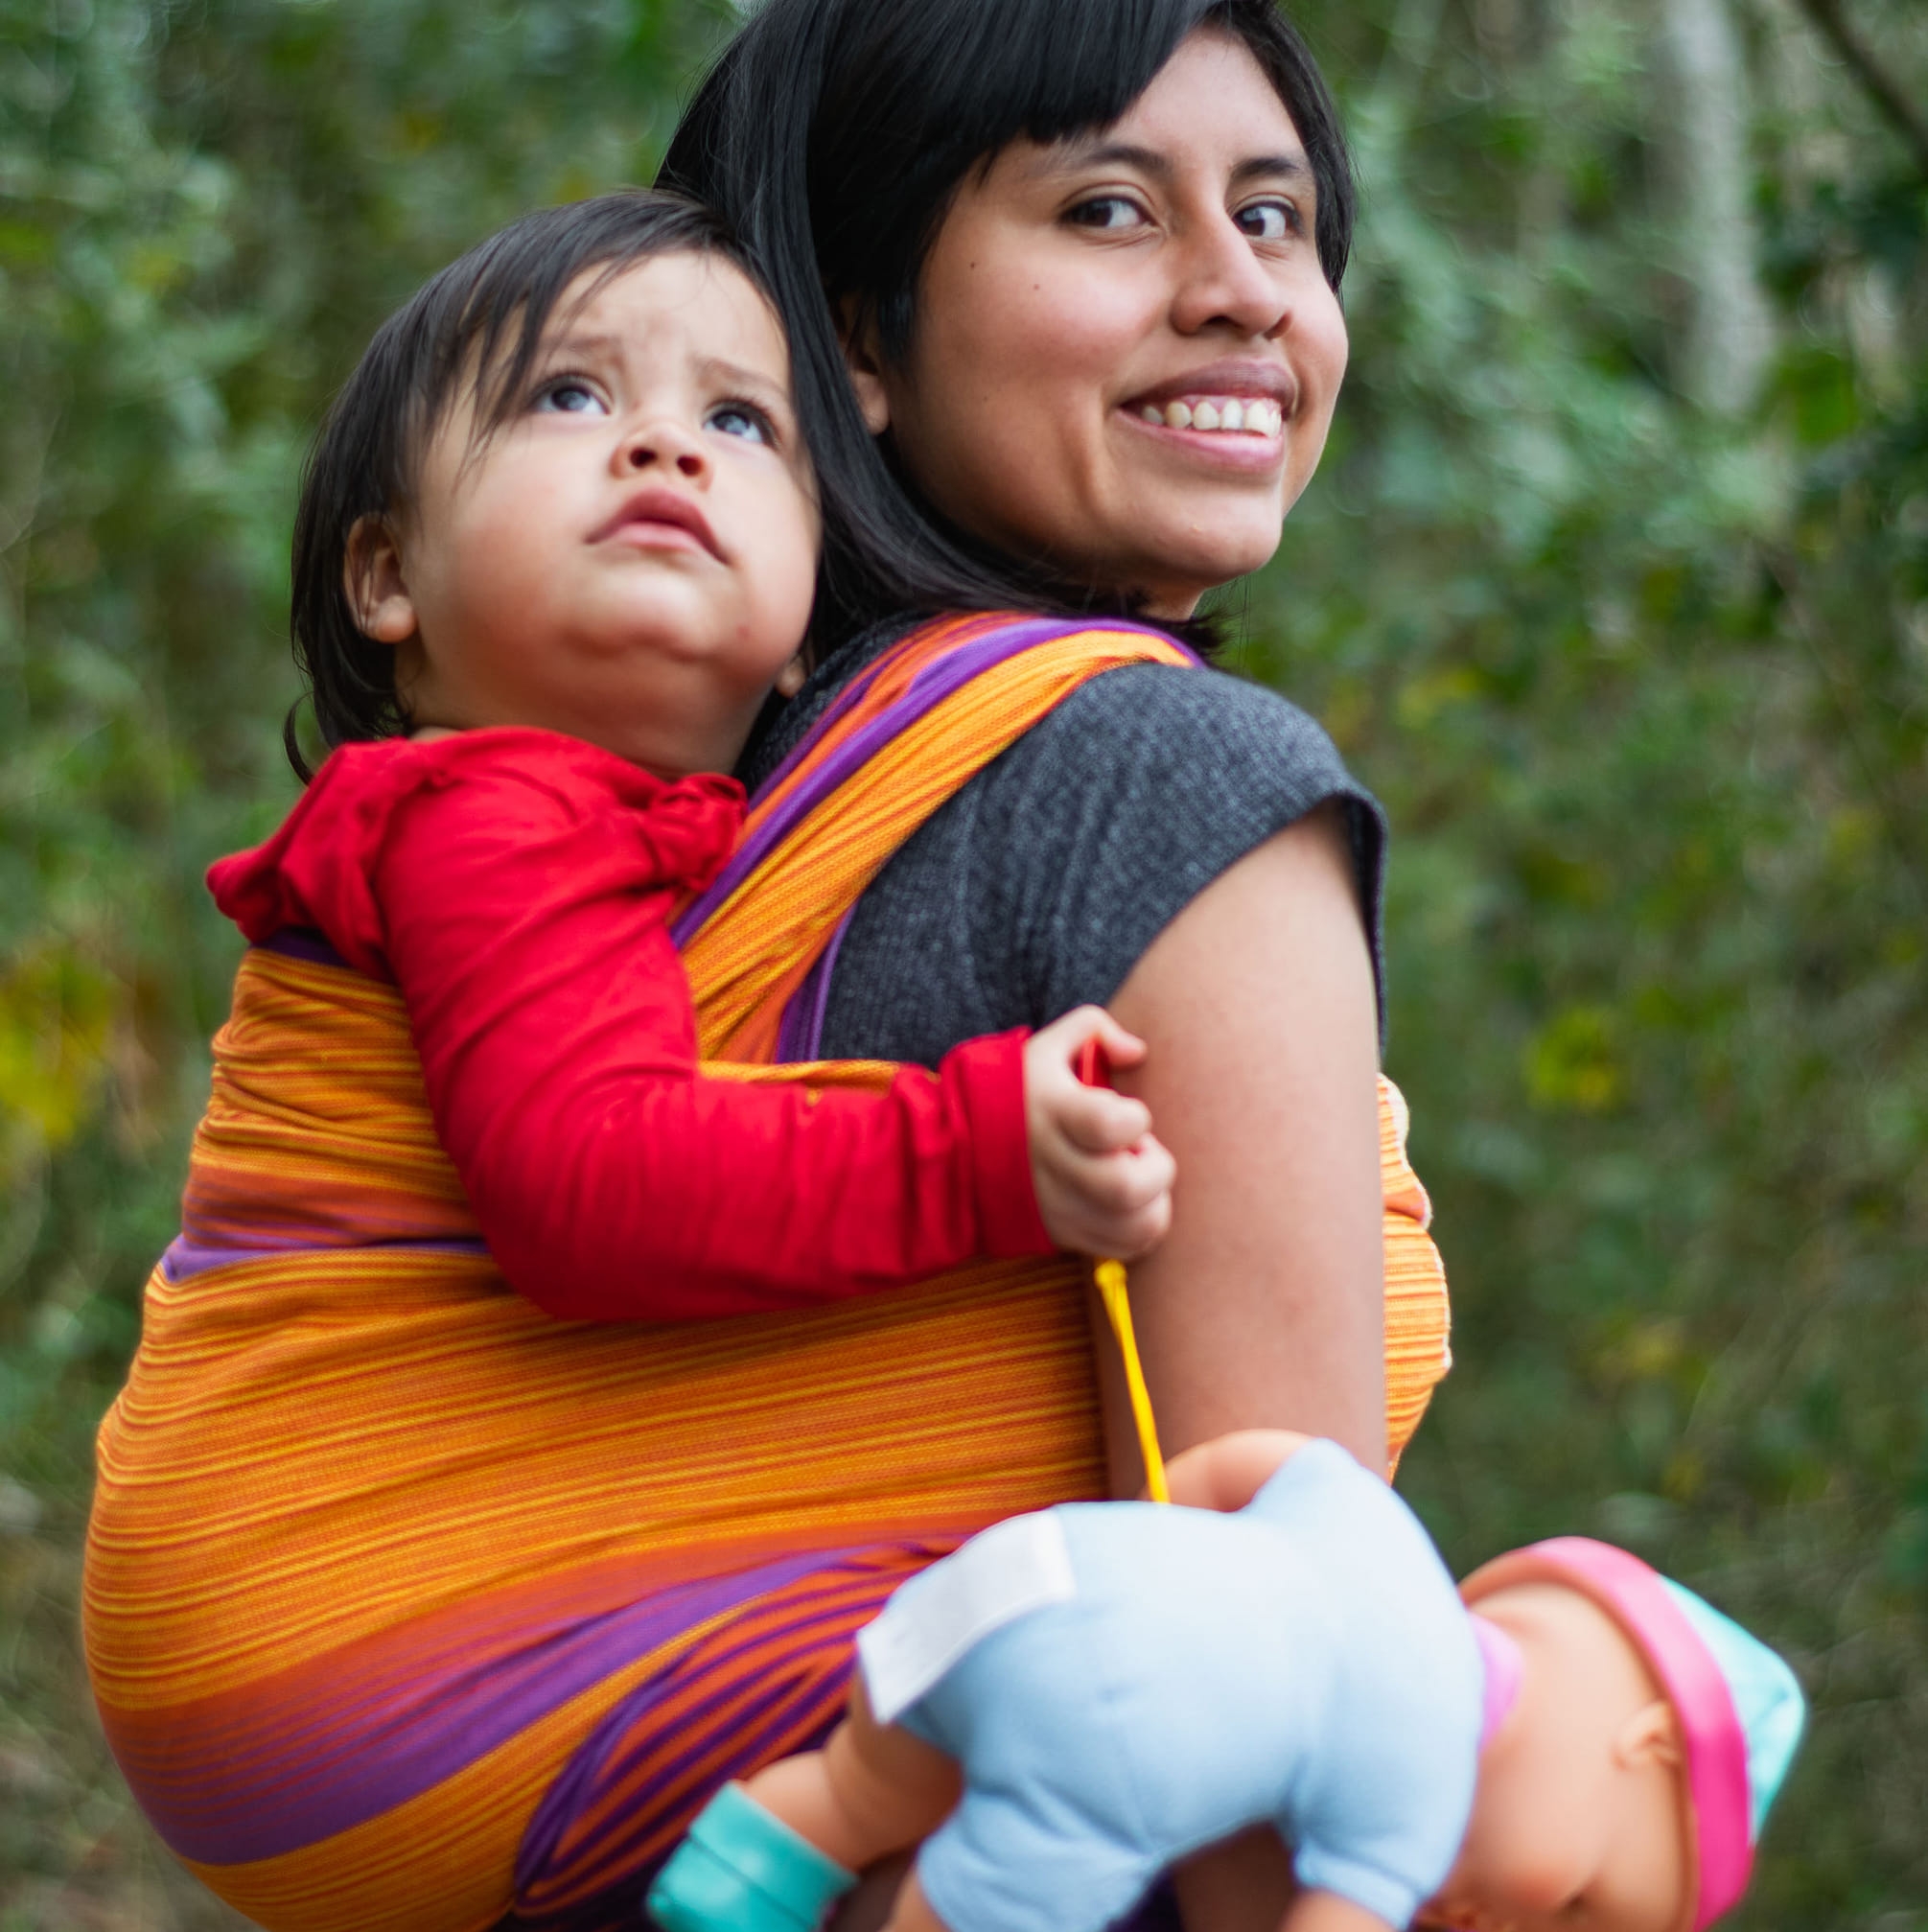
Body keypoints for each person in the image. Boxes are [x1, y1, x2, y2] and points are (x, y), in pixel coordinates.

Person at [81, 190, 1184, 1932]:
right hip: (356, 1634)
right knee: (1116, 1679)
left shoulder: (645, 848)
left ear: (809, 598)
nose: (662, 442)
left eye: (740, 422)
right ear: (387, 578)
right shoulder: (491, 808)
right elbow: (592, 1186)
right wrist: (983, 1153)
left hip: (312, 1644)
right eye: (569, 395)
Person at [660, 0, 1453, 1920]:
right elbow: (1256, 1718)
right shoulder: (1171, 784)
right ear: (856, 332)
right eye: (1109, 209)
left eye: (1275, 216)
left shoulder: (661, 772)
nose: (1242, 290)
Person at [650, 1432, 1805, 1932]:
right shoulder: (1414, 1788)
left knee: (862, 1787)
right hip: (1108, 1748)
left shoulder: (1381, 1532)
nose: (1504, 1928)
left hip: (1023, 1575)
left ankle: (728, 1878)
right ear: (1641, 1742)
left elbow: (1250, 1461)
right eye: (1575, 1905)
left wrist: (1152, 1554)